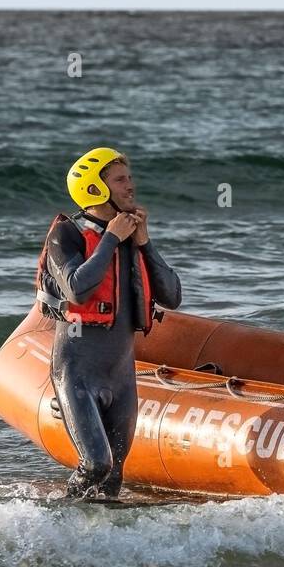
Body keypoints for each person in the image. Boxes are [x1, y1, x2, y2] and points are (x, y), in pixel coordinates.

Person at [34, 147, 182, 499]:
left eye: (129, 178)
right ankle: (57, 516)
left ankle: (95, 547)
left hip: (120, 376)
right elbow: (78, 288)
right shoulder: (66, 235)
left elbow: (172, 296)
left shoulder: (133, 238)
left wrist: (144, 243)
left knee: (114, 478)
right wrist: (111, 238)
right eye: (120, 180)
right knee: (96, 464)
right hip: (77, 370)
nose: (130, 186)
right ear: (94, 188)